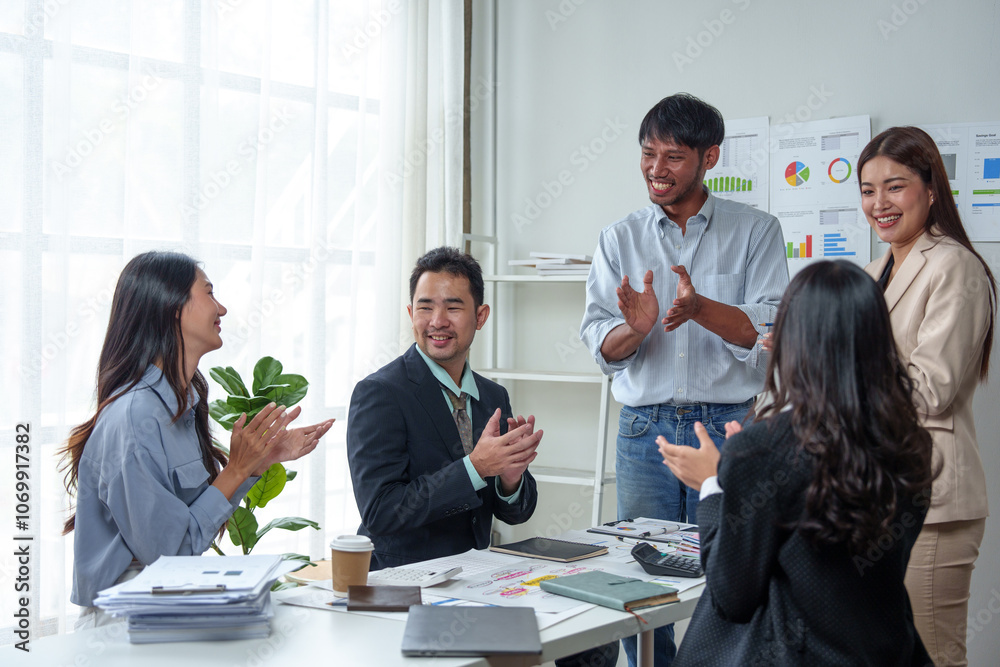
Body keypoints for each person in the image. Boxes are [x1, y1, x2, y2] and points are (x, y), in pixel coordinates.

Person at [580, 92, 788, 666]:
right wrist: (638, 328)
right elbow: (599, 340)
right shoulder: (618, 237)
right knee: (635, 576)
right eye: (648, 153)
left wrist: (700, 310)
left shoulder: (757, 230)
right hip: (644, 429)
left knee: (730, 571)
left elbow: (769, 335)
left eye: (673, 156)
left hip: (727, 429)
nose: (656, 169)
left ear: (710, 157)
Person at [348, 246, 617, 667]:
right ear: (410, 313)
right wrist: (476, 468)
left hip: (475, 577)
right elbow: (381, 513)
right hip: (403, 586)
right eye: (425, 307)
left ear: (481, 316)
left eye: (453, 307)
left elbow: (516, 512)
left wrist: (509, 480)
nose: (437, 321)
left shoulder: (492, 396)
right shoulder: (380, 393)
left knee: (594, 637)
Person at [660, 260, 935, 666]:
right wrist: (747, 471)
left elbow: (732, 598)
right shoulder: (910, 443)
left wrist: (717, 485)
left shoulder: (763, 450)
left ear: (791, 340)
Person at [60, 251, 334, 626]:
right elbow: (169, 552)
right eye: (208, 293)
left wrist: (258, 461)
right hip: (124, 621)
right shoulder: (135, 417)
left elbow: (191, 527)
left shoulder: (181, 405)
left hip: (161, 602)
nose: (221, 308)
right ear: (174, 307)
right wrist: (237, 468)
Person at [859, 126, 997, 667]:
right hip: (878, 500)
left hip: (934, 500)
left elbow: (930, 389)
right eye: (869, 191)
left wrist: (842, 369)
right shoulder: (873, 273)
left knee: (935, 657)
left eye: (895, 187)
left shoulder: (954, 265)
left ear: (931, 188)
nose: (880, 204)